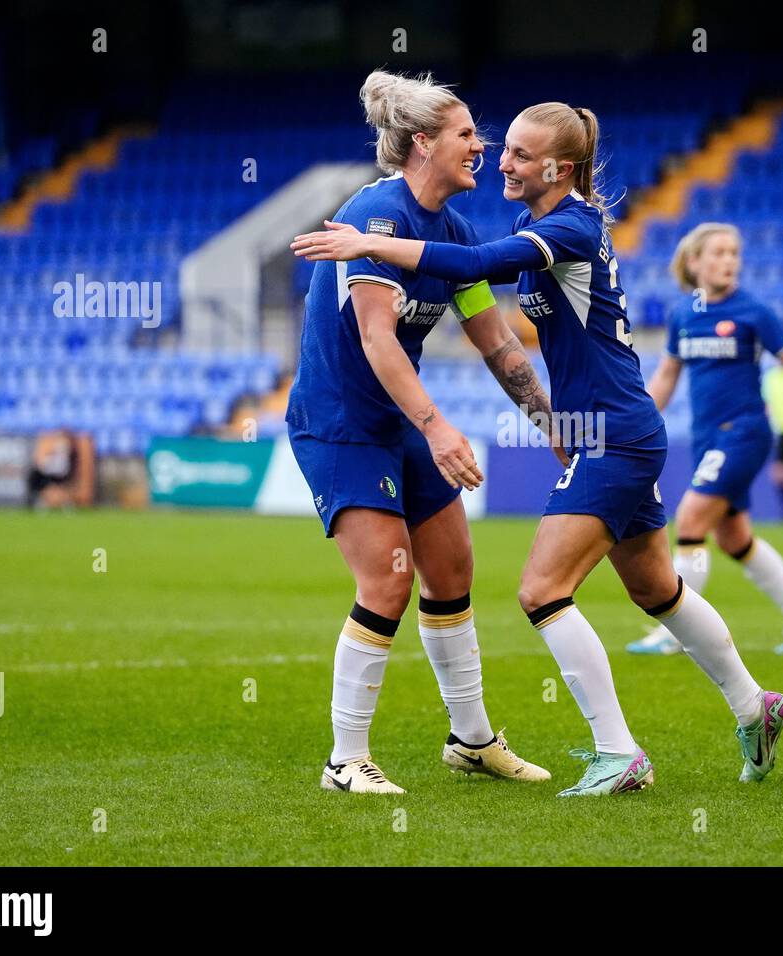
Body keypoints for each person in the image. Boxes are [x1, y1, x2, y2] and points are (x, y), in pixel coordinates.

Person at [293, 103, 783, 795]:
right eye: (480, 140)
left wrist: (373, 246)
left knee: (541, 591)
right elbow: (499, 343)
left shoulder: (566, 226)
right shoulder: (532, 223)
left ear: (558, 168)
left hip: (613, 433)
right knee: (655, 586)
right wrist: (552, 425)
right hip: (605, 430)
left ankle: (618, 752)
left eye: (518, 153)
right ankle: (753, 705)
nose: (497, 156)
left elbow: (475, 267)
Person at [286, 70, 554, 794]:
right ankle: (345, 761)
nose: (482, 146)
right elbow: (377, 340)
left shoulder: (456, 233)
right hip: (342, 423)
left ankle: (471, 741)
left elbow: (496, 342)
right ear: (423, 143)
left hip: (399, 419)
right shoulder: (375, 216)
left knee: (454, 569)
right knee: (389, 578)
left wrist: (551, 424)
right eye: (468, 135)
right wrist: (439, 430)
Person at [628, 223, 783, 657]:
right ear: (694, 263)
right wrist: (635, 424)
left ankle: (676, 633)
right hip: (706, 437)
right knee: (733, 537)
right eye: (719, 253)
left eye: (734, 253)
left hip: (744, 433)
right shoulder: (683, 314)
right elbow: (665, 377)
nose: (729, 261)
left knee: (690, 520)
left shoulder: (753, 312)